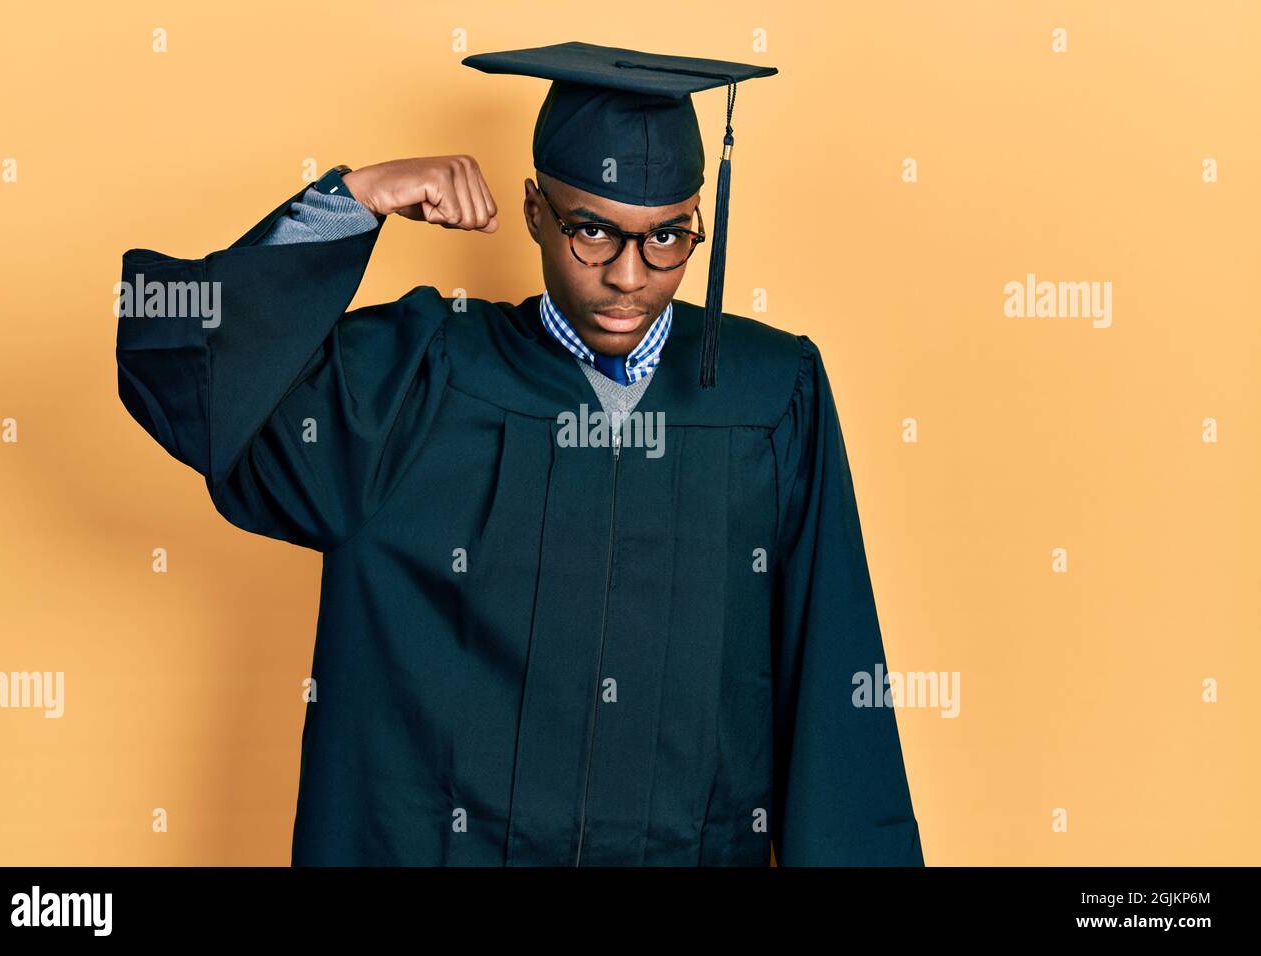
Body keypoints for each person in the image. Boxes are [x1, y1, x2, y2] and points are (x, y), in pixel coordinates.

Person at [115, 41, 924, 866]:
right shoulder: (419, 380)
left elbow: (832, 667)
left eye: (668, 238)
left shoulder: (769, 395)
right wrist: (353, 200)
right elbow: (185, 367)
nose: (629, 276)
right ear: (536, 210)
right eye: (592, 232)